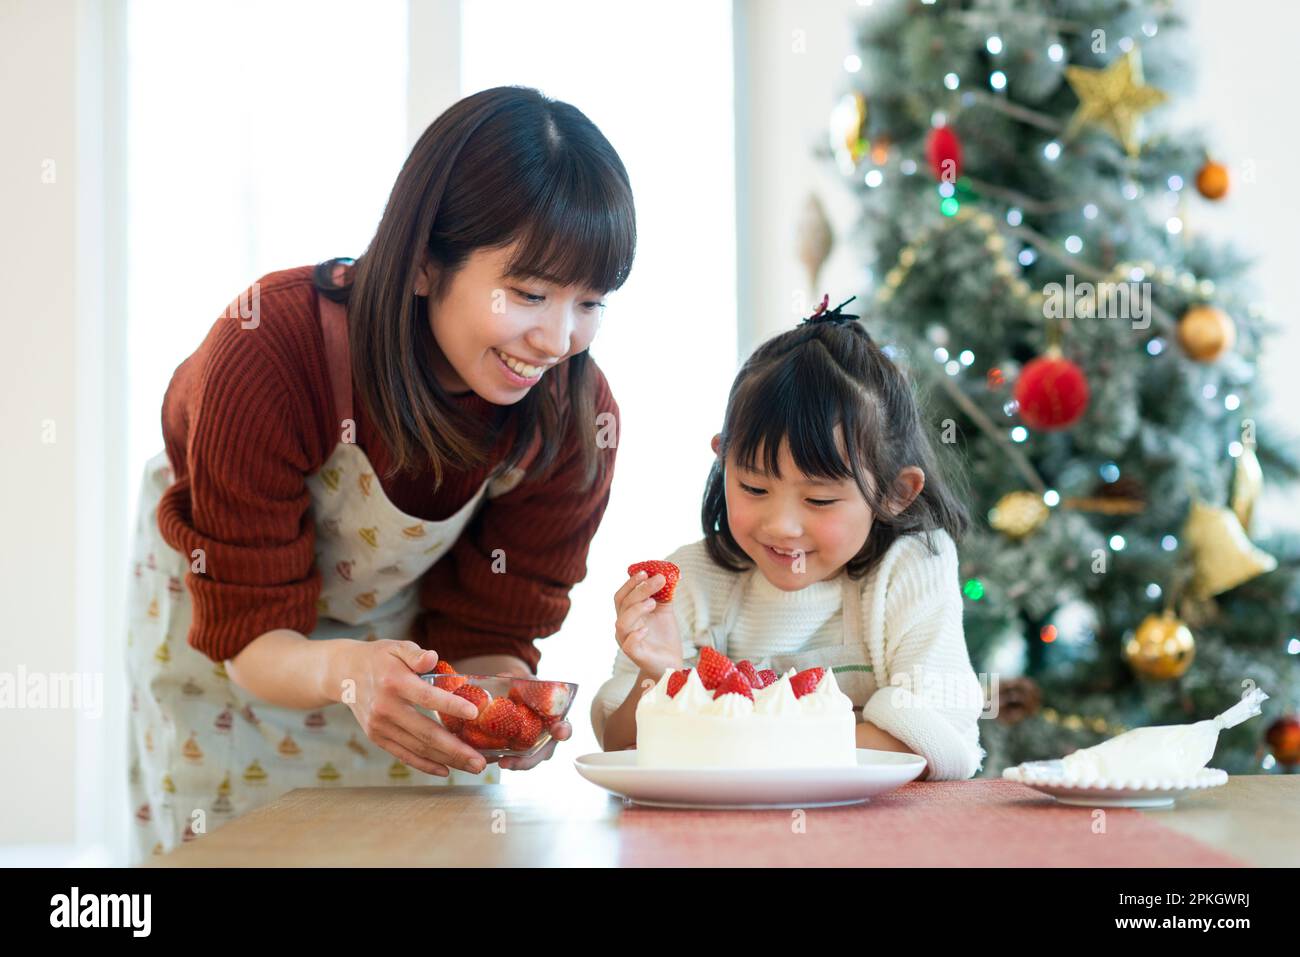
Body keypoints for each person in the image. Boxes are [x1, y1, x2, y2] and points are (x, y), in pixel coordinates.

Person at [126, 85, 636, 862]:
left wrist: (500, 702)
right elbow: (251, 634)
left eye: (590, 303)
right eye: (529, 294)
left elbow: (486, 636)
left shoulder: (576, 419)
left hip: (405, 658)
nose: (559, 338)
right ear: (426, 262)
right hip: (236, 645)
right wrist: (346, 672)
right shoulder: (267, 351)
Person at [591, 297, 986, 781]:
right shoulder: (695, 580)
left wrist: (720, 738)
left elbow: (939, 735)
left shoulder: (910, 567)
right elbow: (620, 745)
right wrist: (659, 674)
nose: (781, 525)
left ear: (894, 492)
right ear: (723, 462)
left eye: (819, 500)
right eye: (754, 488)